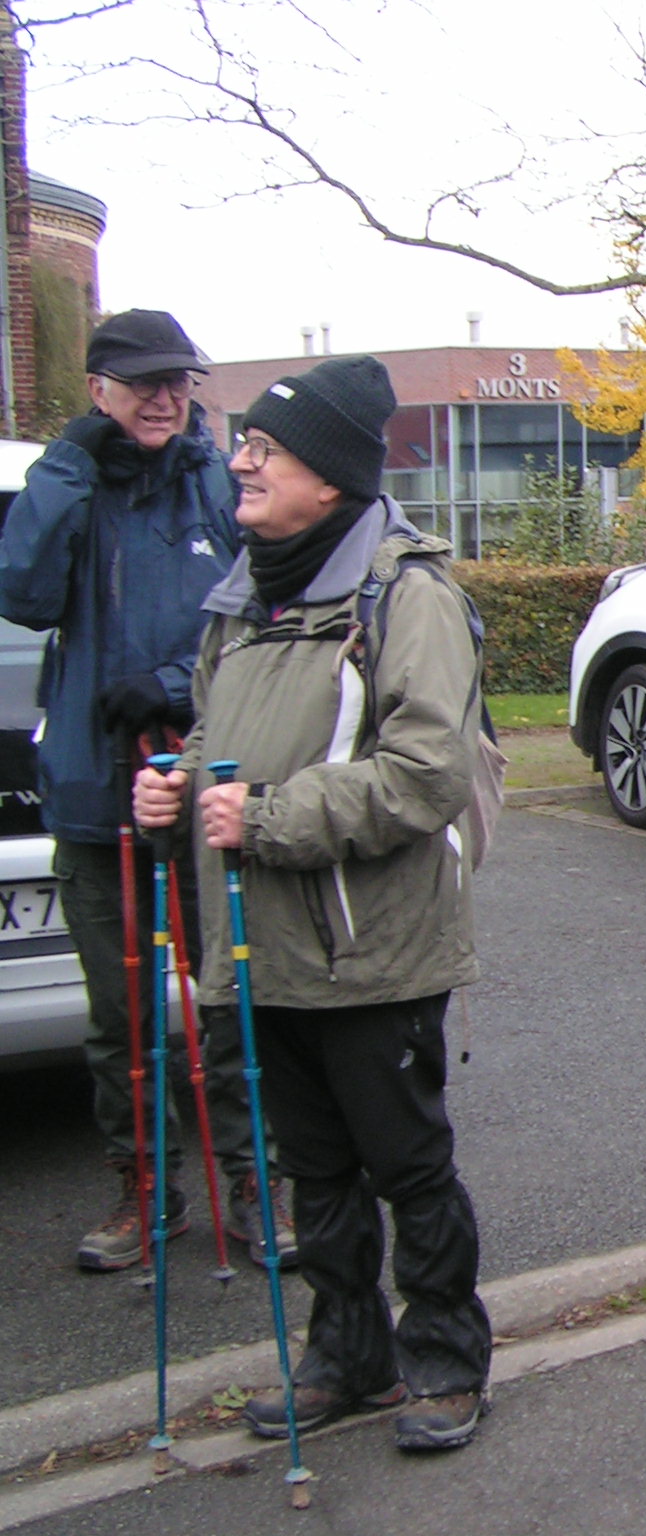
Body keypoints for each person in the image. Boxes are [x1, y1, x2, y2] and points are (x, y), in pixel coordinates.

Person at [134, 354, 492, 1453]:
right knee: (314, 1171)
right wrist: (176, 786)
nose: (239, 458)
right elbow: (215, 737)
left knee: (406, 1167)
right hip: (263, 950)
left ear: (329, 478)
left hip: (371, 948)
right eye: (247, 445)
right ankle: (351, 1356)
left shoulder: (404, 594)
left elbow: (427, 772)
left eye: (268, 449)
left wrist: (269, 817)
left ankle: (444, 1360)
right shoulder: (246, 596)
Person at [0, 309, 286, 1274]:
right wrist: (69, 472)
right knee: (118, 1011)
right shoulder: (66, 480)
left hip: (200, 771)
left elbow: (258, 606)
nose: (166, 398)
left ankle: (253, 1181)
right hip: (95, 785)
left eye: (178, 382)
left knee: (229, 990)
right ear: (99, 390)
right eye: (144, 383)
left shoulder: (216, 480)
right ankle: (143, 1184)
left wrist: (175, 684)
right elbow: (23, 593)